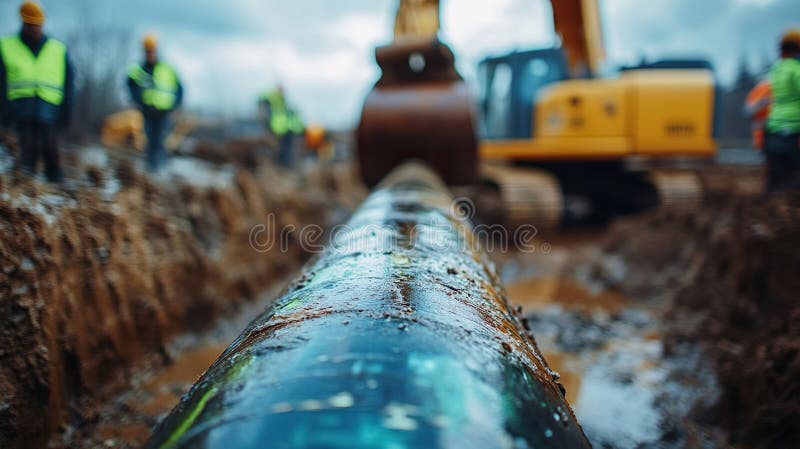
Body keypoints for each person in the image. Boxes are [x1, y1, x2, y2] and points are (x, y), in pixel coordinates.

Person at [0, 1, 74, 183]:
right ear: (23, 23)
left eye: (38, 25)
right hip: (18, 111)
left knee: (52, 155)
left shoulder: (57, 50)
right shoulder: (6, 46)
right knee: (24, 156)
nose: (36, 29)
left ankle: (57, 190)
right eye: (32, 25)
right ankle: (25, 191)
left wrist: (66, 112)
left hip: (49, 112)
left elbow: (69, 84)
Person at [127, 34, 183, 172]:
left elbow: (180, 89)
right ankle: (150, 169)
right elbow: (130, 85)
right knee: (150, 141)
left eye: (151, 50)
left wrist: (175, 104)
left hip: (164, 112)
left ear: (157, 50)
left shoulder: (167, 69)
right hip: (147, 111)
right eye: (147, 50)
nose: (149, 53)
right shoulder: (138, 70)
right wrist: (138, 101)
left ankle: (159, 170)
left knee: (160, 142)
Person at [763, 29, 800, 192]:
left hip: (775, 125)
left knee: (778, 177)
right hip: (793, 125)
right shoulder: (795, 70)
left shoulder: (777, 70)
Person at [259, 85, 304, 168]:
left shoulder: (281, 101)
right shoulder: (272, 98)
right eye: (281, 90)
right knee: (282, 150)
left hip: (284, 129)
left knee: (285, 150)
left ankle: (284, 166)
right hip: (278, 129)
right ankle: (282, 166)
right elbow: (262, 98)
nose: (282, 92)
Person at [745, 79, 771, 150]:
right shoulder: (762, 90)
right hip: (764, 134)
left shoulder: (755, 92)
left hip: (766, 134)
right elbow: (748, 111)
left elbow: (748, 111)